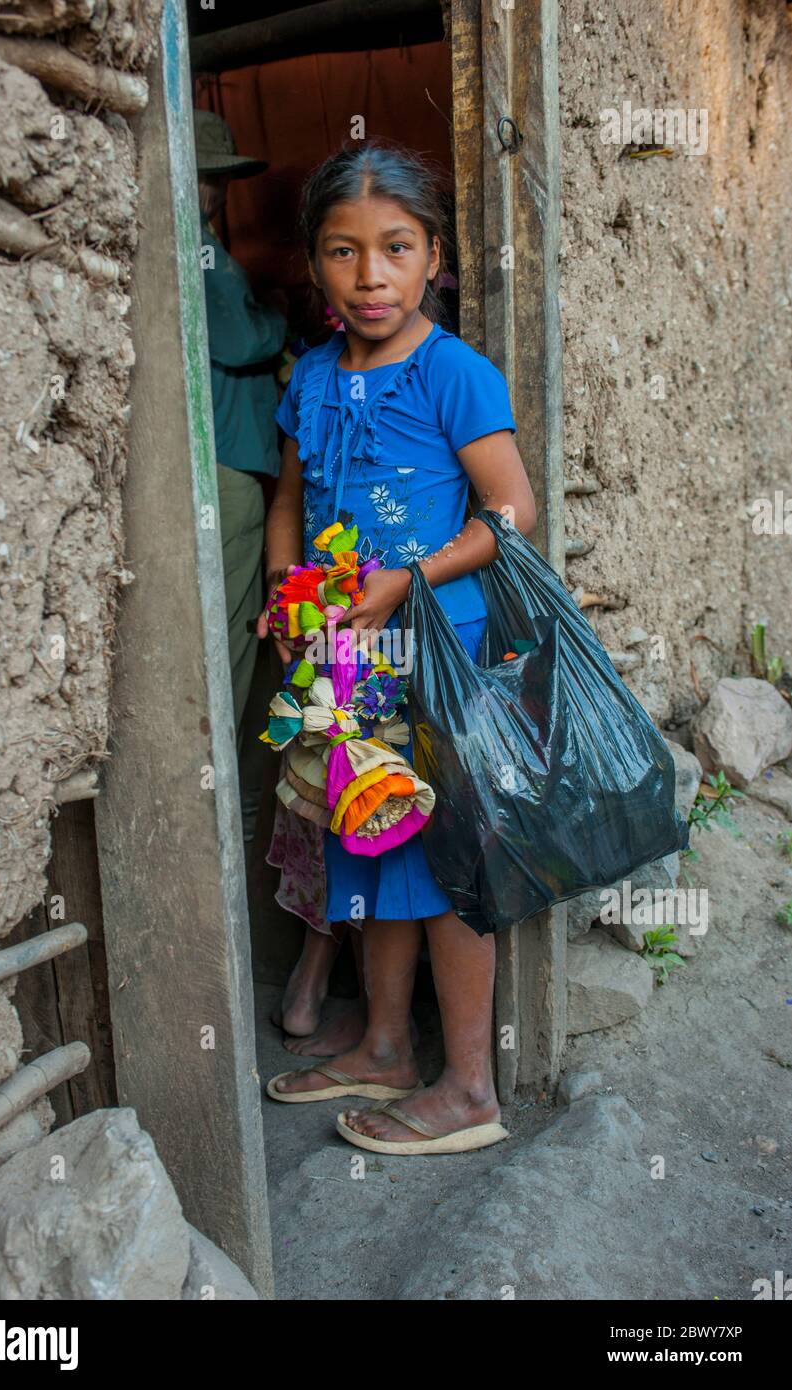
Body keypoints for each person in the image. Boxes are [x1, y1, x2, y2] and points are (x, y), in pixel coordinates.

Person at [256, 140, 538, 1155]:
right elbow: (290, 500)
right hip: (344, 670)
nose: (369, 276)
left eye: (395, 248)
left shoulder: (453, 373)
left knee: (446, 864)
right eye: (342, 252)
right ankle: (382, 1045)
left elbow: (510, 512)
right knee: (364, 848)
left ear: (431, 258)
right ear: (315, 261)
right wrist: (293, 595)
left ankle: (468, 1086)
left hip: (434, 662)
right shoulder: (313, 376)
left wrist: (403, 581)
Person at [195, 109, 287, 751]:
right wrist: (278, 316)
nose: (213, 191)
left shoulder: (200, 247)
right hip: (229, 472)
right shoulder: (199, 250)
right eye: (204, 176)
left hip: (226, 464)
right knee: (231, 638)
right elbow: (238, 336)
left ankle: (232, 791)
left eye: (218, 179)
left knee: (237, 629)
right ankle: (221, 789)